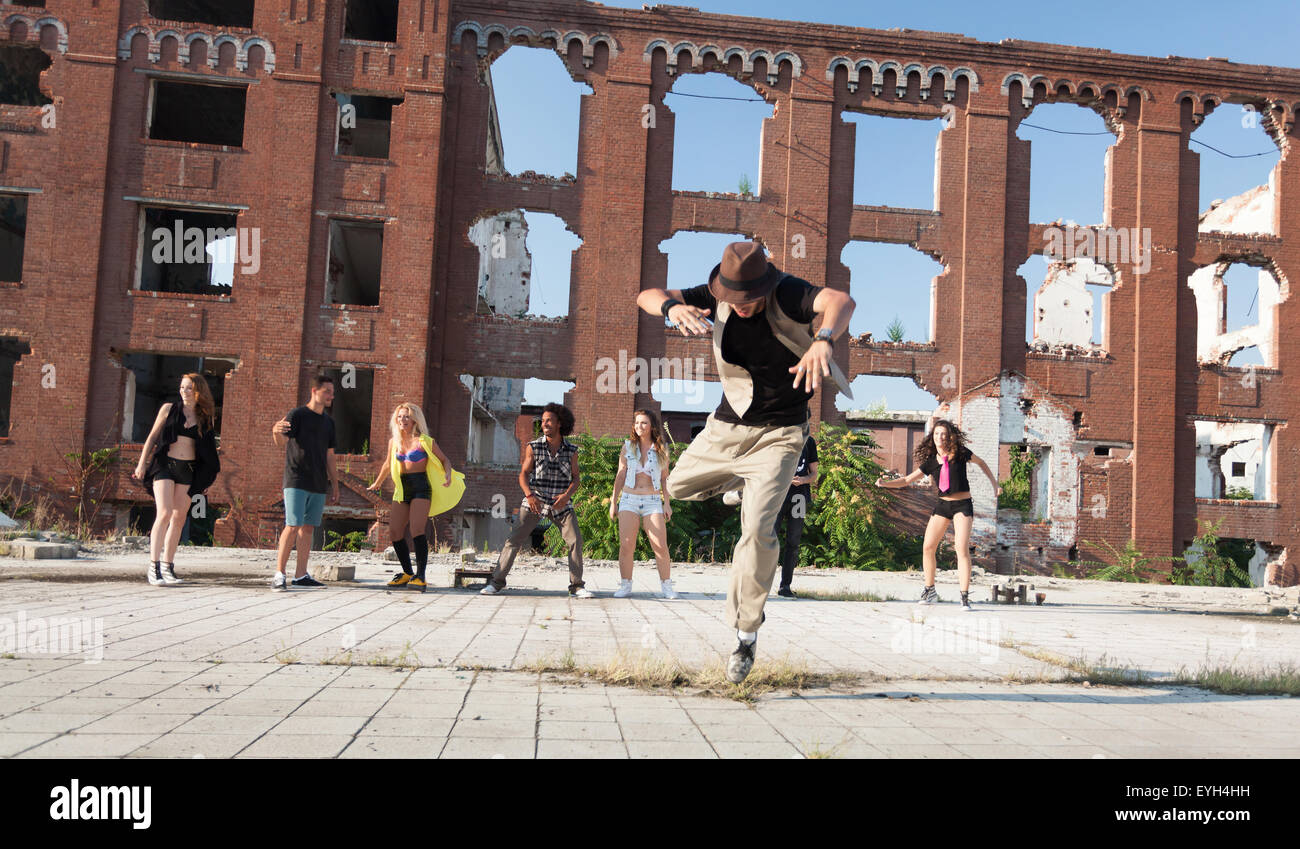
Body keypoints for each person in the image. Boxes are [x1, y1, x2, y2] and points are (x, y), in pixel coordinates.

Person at [635, 240, 854, 683]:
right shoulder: (714, 296)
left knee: (756, 531)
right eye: (734, 300)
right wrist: (670, 309)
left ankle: (746, 634)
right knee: (675, 487)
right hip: (726, 428)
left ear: (766, 287)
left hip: (781, 434)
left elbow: (840, 300)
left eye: (750, 300)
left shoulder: (787, 292)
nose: (743, 307)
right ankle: (739, 485)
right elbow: (646, 294)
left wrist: (824, 339)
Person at [875, 418, 1000, 610]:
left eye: (943, 434)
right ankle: (930, 590)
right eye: (936, 434)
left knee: (961, 548)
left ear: (949, 436)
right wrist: (885, 485)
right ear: (932, 438)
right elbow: (907, 480)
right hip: (942, 505)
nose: (939, 437)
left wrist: (995, 484)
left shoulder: (960, 453)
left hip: (962, 505)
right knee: (928, 547)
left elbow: (982, 463)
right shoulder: (931, 463)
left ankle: (964, 597)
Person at [481, 403, 591, 598]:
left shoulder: (571, 450)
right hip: (536, 499)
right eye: (543, 421)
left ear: (559, 423)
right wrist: (529, 496)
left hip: (561, 502)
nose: (544, 424)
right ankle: (496, 583)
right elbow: (523, 474)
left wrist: (566, 497)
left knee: (575, 540)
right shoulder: (534, 447)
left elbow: (576, 479)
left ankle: (577, 586)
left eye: (549, 420)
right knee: (513, 540)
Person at [131, 373, 220, 586]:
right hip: (165, 466)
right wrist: (142, 463)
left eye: (189, 388)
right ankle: (153, 567)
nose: (184, 391)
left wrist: (205, 479)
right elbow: (152, 437)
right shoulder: (168, 409)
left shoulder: (205, 416)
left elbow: (208, 451)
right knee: (164, 513)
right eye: (182, 387)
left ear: (198, 390)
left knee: (179, 518)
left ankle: (167, 566)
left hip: (188, 470)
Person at [368, 403, 465, 592]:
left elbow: (445, 460)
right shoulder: (393, 442)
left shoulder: (425, 441)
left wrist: (447, 474)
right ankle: (407, 572)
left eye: (406, 417)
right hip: (402, 489)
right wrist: (377, 483)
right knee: (395, 532)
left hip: (421, 488)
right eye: (399, 417)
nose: (402, 420)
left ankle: (420, 576)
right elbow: (388, 464)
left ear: (414, 420)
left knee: (416, 529)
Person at [270, 374, 339, 592]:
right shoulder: (298, 415)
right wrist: (275, 431)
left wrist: (334, 484)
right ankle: (279, 574)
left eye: (332, 392)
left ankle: (300, 575)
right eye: (327, 391)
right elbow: (281, 441)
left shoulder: (329, 422)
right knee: (293, 525)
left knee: (308, 528)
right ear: (314, 391)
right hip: (296, 479)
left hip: (318, 482)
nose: (331, 396)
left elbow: (330, 455)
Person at [609, 409, 675, 599]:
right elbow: (620, 475)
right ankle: (625, 585)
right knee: (626, 545)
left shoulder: (661, 449)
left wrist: (667, 503)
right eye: (637, 423)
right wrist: (614, 502)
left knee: (660, 545)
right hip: (629, 499)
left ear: (652, 426)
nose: (639, 426)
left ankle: (667, 586)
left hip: (652, 500)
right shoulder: (627, 446)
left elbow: (665, 478)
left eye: (644, 423)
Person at [773, 435, 818, 598]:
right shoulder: (779, 437)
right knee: (770, 539)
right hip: (777, 497)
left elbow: (814, 474)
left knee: (793, 541)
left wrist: (803, 479)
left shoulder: (809, 442)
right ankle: (761, 585)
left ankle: (785, 586)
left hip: (799, 498)